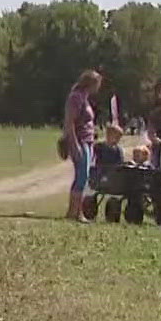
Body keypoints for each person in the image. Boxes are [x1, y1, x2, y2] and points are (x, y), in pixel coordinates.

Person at [63, 69, 101, 222]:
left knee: (83, 177)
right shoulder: (76, 98)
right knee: (81, 176)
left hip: (88, 140)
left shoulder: (85, 98)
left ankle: (76, 211)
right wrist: (74, 144)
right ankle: (75, 212)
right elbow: (69, 122)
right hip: (80, 140)